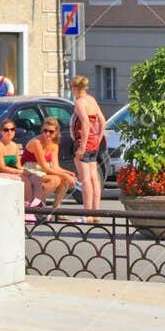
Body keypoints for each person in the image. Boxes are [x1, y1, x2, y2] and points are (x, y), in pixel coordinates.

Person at [0, 117, 42, 217]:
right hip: (2, 174)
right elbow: (2, 167)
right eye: (6, 130)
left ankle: (37, 206)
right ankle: (27, 210)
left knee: (37, 177)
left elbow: (18, 165)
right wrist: (20, 172)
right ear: (1, 131)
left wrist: (25, 170)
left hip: (14, 173)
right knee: (24, 179)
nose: (9, 132)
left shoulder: (14, 145)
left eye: (12, 129)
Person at [71, 74, 106, 221]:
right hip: (93, 143)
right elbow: (102, 120)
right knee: (94, 178)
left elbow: (85, 123)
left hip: (83, 142)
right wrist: (98, 138)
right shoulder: (91, 99)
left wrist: (82, 146)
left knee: (85, 180)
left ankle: (87, 214)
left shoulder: (80, 102)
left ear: (75, 88)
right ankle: (96, 212)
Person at [24, 117, 77, 207]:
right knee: (55, 180)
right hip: (31, 171)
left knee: (64, 180)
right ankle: (35, 202)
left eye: (51, 131)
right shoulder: (37, 142)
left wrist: (67, 173)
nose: (47, 134)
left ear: (56, 132)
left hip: (41, 171)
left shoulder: (54, 144)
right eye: (45, 131)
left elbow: (55, 166)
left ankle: (56, 207)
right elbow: (45, 167)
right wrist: (65, 175)